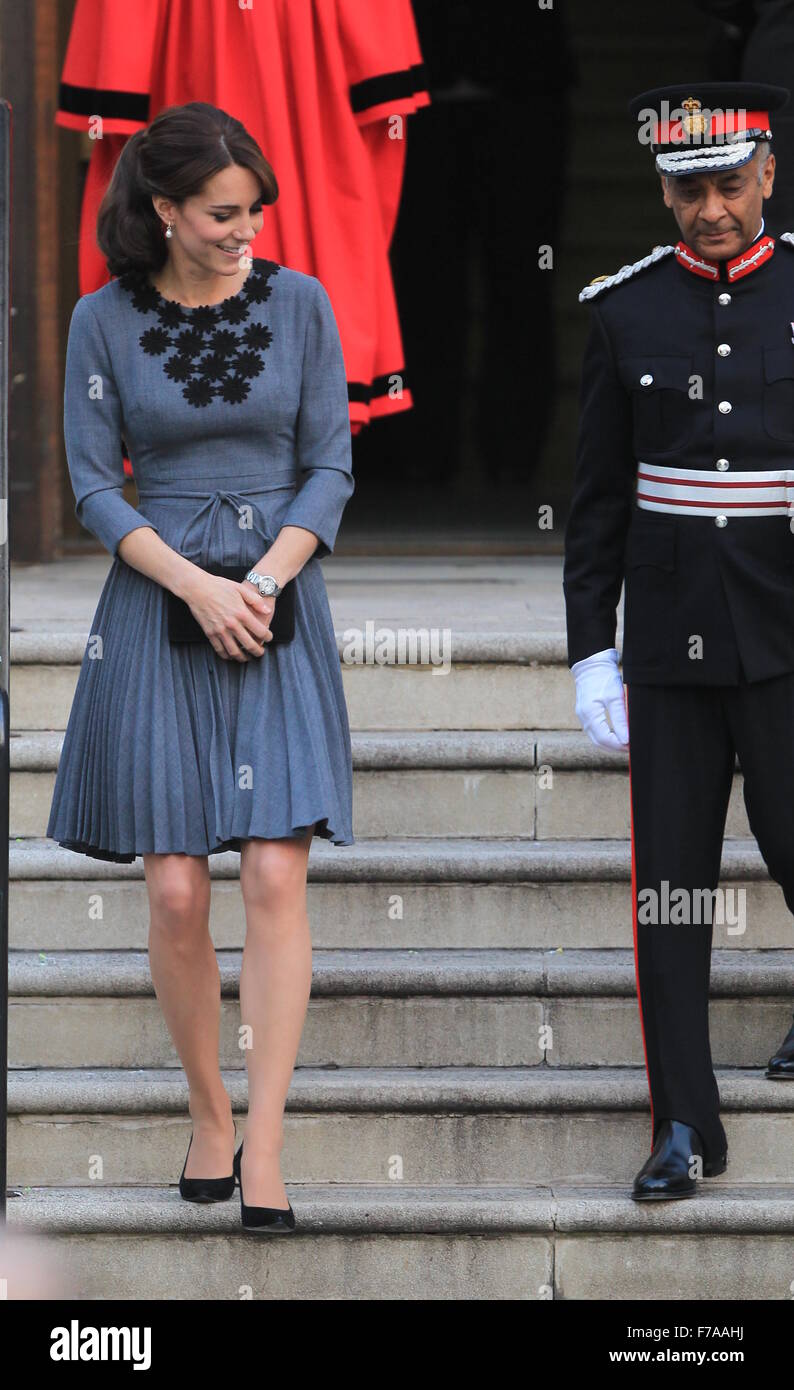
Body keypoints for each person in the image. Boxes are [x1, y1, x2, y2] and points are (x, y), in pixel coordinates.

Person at [46, 102, 356, 1233]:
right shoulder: (99, 321)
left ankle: (265, 1146)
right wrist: (193, 583)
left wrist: (261, 585)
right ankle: (209, 1110)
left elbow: (328, 466)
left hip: (277, 592)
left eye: (253, 210)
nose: (245, 230)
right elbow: (92, 484)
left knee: (273, 874)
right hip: (156, 600)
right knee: (176, 887)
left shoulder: (304, 305)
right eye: (222, 213)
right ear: (165, 211)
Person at [563, 81, 794, 1201]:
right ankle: (682, 1127)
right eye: (686, 189)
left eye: (726, 185)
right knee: (670, 894)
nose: (709, 208)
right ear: (662, 191)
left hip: (788, 631)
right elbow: (596, 502)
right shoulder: (624, 310)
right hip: (665, 641)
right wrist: (586, 652)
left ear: (765, 177)